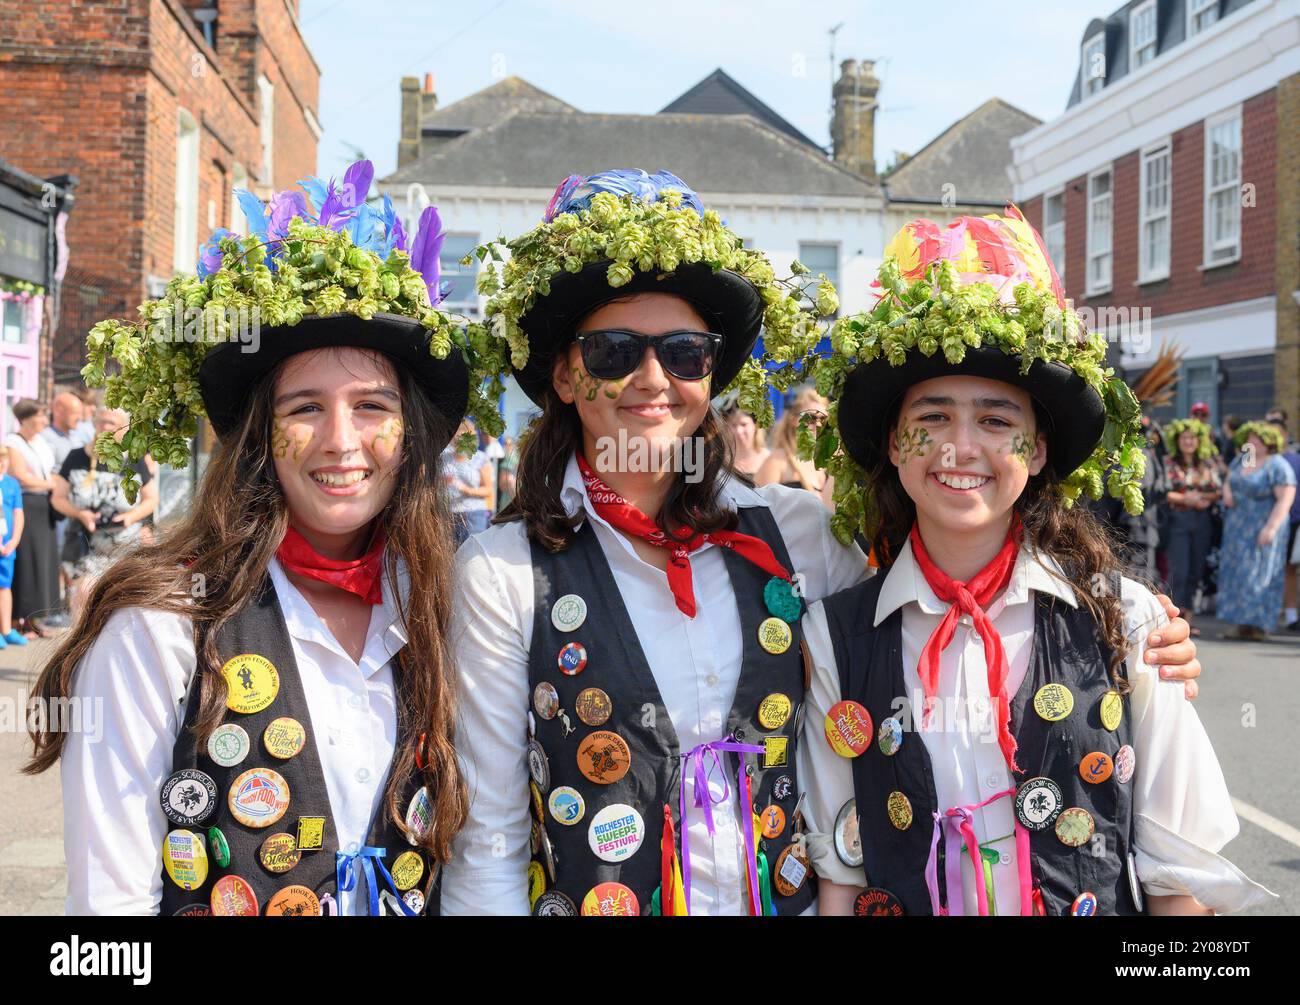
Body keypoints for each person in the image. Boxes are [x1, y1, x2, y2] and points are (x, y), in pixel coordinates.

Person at [441, 173, 1201, 917]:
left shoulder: (794, 531)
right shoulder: (503, 574)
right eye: (611, 351)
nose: (653, 378)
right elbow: (492, 844)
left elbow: (943, 576)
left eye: (684, 351)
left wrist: (1134, 629)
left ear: (710, 373)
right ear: (566, 375)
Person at [25, 160, 481, 915]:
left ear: (412, 435)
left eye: (371, 405)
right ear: (260, 438)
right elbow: (108, 911)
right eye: (304, 407)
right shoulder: (164, 624)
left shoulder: (442, 603)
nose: (342, 441)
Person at [787, 211, 1266, 917]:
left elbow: (1178, 883)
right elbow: (843, 876)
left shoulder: (1127, 619)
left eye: (996, 419)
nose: (961, 446)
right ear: (893, 442)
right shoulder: (835, 637)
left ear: (1037, 450)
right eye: (932, 416)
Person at [50, 407, 159, 619]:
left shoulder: (134, 459)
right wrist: (80, 514)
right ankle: (80, 646)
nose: (106, 427)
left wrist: (131, 517)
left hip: (126, 543)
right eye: (102, 422)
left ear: (123, 428)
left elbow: (152, 499)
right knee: (84, 594)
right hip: (86, 543)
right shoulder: (77, 457)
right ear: (94, 424)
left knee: (124, 601)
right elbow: (58, 499)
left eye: (112, 423)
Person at [1216, 421, 1297, 640]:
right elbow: (1230, 479)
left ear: (1269, 443)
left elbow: (1285, 499)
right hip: (1237, 528)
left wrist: (1270, 528)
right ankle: (1239, 623)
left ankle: (1259, 625)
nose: (1251, 442)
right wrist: (1227, 493)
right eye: (1250, 438)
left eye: (1257, 439)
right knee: (1237, 574)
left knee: (1259, 575)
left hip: (1263, 527)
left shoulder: (1277, 465)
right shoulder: (1244, 459)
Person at [5, 399, 60, 636]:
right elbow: (20, 476)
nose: (44, 419)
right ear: (27, 418)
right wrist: (49, 484)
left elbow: (51, 471)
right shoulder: (12, 442)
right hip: (26, 503)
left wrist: (50, 485)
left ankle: (34, 618)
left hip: (43, 504)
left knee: (43, 561)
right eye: (40, 415)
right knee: (26, 561)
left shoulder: (40, 442)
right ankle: (18, 619)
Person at [1162, 418, 1222, 636]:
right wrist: (1186, 499)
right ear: (1177, 440)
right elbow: (1164, 492)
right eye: (1184, 438)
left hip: (1202, 522)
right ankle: (1174, 616)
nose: (1188, 442)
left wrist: (1201, 498)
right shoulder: (1169, 462)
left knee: (1196, 571)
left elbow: (1217, 491)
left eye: (1192, 438)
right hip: (1178, 521)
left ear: (1199, 441)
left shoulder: (1206, 464)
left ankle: (1189, 619)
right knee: (1179, 570)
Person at [445, 419, 494, 544]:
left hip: (474, 515)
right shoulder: (443, 457)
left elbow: (488, 490)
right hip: (447, 515)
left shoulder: (480, 458)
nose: (456, 442)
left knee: (471, 555)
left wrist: (463, 488)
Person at [0, 446, 27, 648]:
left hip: (7, 546)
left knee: (5, 586)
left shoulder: (12, 484)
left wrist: (14, 540)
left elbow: (18, 513)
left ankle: (6, 630)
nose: (1, 464)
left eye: (4, 459)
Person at [721, 401, 770, 479]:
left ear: (755, 426)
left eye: (744, 424)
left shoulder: (768, 458)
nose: (739, 431)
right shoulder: (721, 461)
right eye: (733, 425)